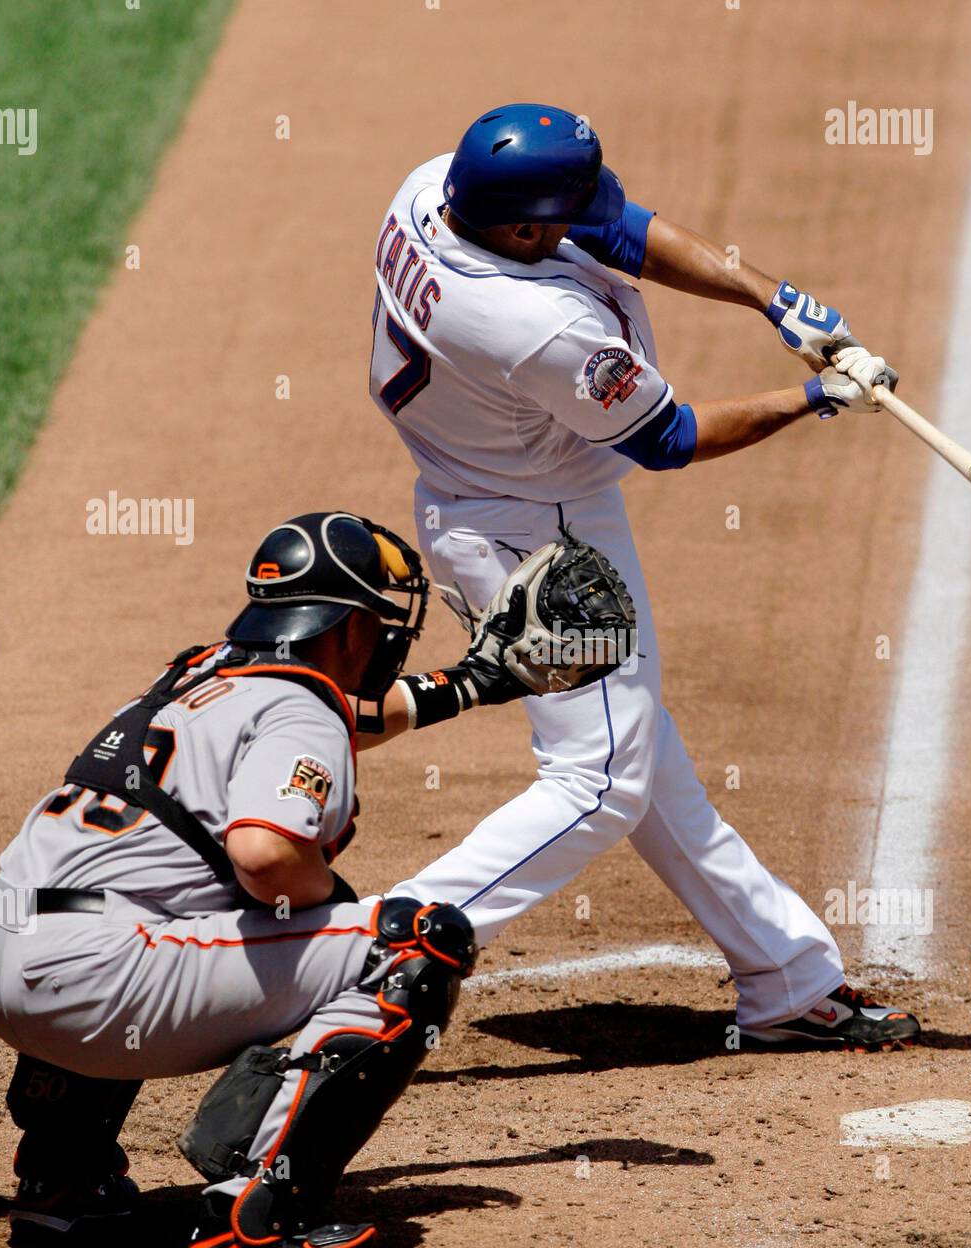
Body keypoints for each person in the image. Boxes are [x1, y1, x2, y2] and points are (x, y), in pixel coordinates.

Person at [367, 102, 919, 1052]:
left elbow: (618, 228)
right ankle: (374, 951)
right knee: (598, 780)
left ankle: (789, 980)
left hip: (495, 498)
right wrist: (816, 396)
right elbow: (670, 439)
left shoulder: (434, 188)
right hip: (542, 546)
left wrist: (771, 299)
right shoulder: (534, 328)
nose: (586, 218)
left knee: (636, 751)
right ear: (524, 227)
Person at [0, 510, 610, 1248]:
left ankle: (62, 1182)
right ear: (350, 629)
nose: (391, 637)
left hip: (12, 955)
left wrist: (475, 684)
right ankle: (250, 1228)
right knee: (414, 943)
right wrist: (329, 912)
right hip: (97, 987)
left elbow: (326, 722)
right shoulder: (298, 709)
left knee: (154, 899)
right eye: (383, 621)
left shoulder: (205, 672)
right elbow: (266, 853)